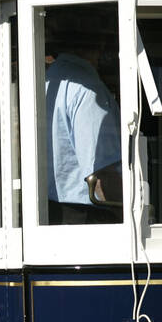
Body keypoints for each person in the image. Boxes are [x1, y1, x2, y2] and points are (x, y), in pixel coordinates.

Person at [44, 50, 120, 224]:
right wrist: (131, 219)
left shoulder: (50, 80)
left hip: (54, 211)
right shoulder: (86, 87)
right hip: (87, 215)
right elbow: (102, 175)